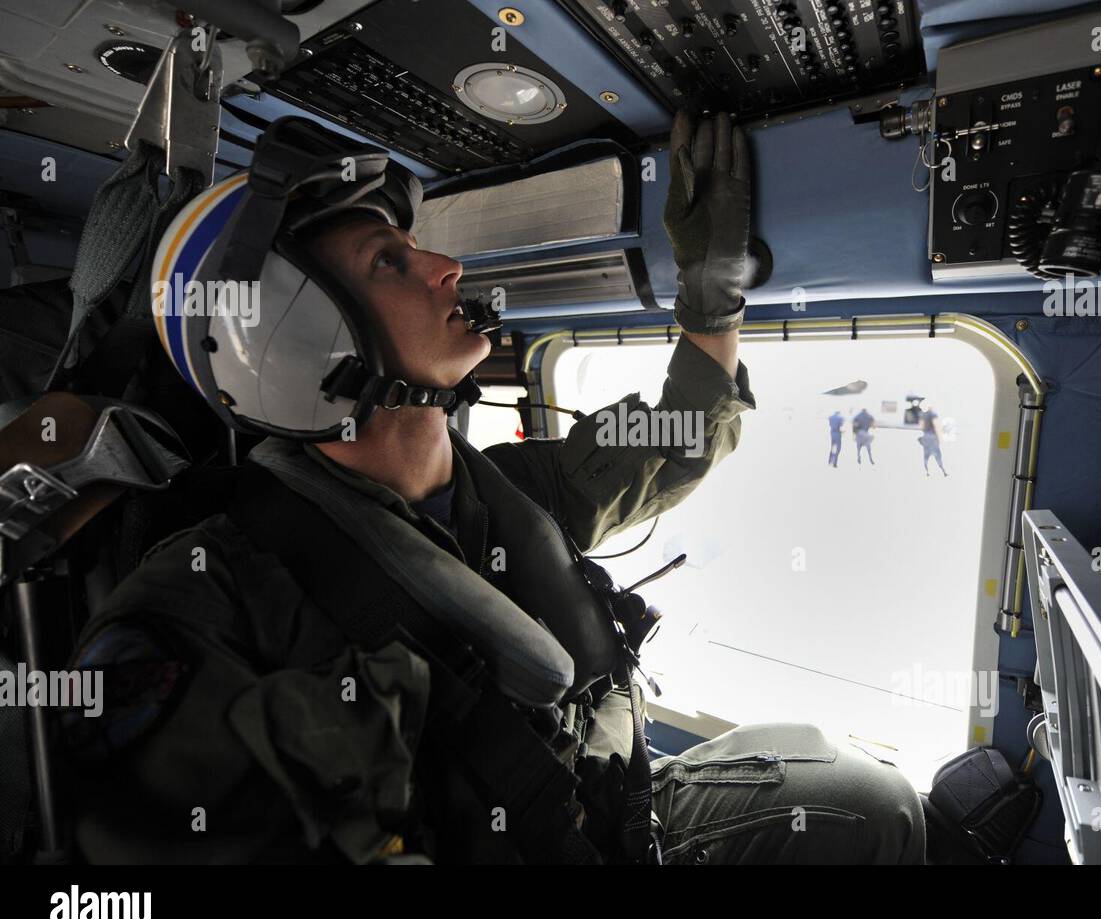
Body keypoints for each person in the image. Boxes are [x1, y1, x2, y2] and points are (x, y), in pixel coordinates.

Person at [58, 113, 924, 864]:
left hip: (623, 808)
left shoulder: (512, 489)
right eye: (390, 262)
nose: (446, 267)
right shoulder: (208, 594)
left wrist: (711, 294)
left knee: (868, 801)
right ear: (290, 340)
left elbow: (676, 433)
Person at [918, 404, 948, 476]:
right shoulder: (933, 415)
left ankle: (928, 472)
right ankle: (943, 472)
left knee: (926, 459)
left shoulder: (923, 415)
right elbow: (936, 426)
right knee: (938, 459)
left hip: (928, 438)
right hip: (932, 439)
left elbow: (922, 426)